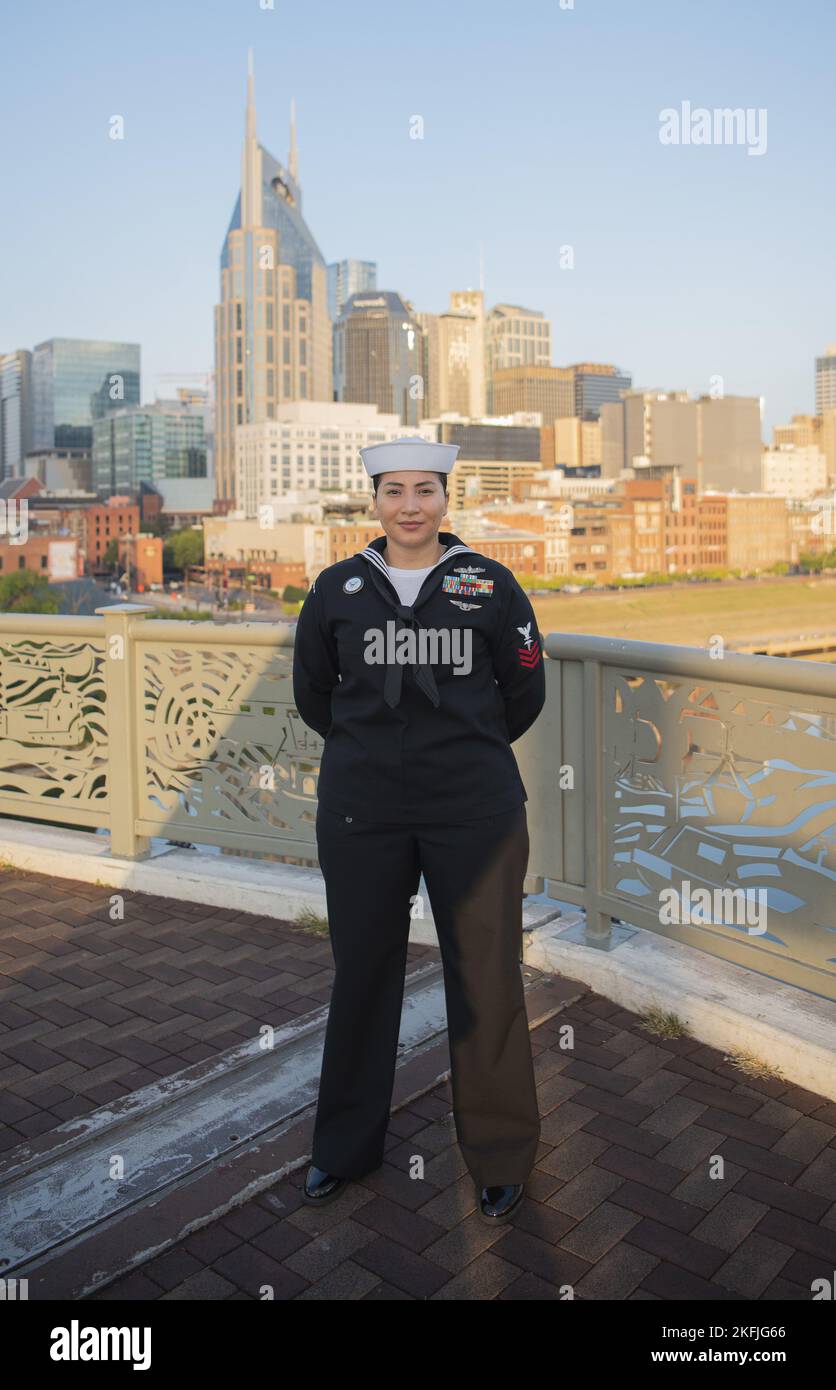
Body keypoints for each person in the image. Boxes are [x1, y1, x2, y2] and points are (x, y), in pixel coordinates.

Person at [292, 435, 546, 1223]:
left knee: (487, 978)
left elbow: (522, 693)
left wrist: (453, 751)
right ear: (374, 501)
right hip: (362, 811)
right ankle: (342, 1149)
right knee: (363, 974)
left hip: (474, 810)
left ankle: (501, 1156)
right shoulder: (337, 589)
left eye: (425, 491)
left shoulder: (490, 585)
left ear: (445, 498)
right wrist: (380, 752)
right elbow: (315, 696)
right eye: (394, 491)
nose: (410, 506)